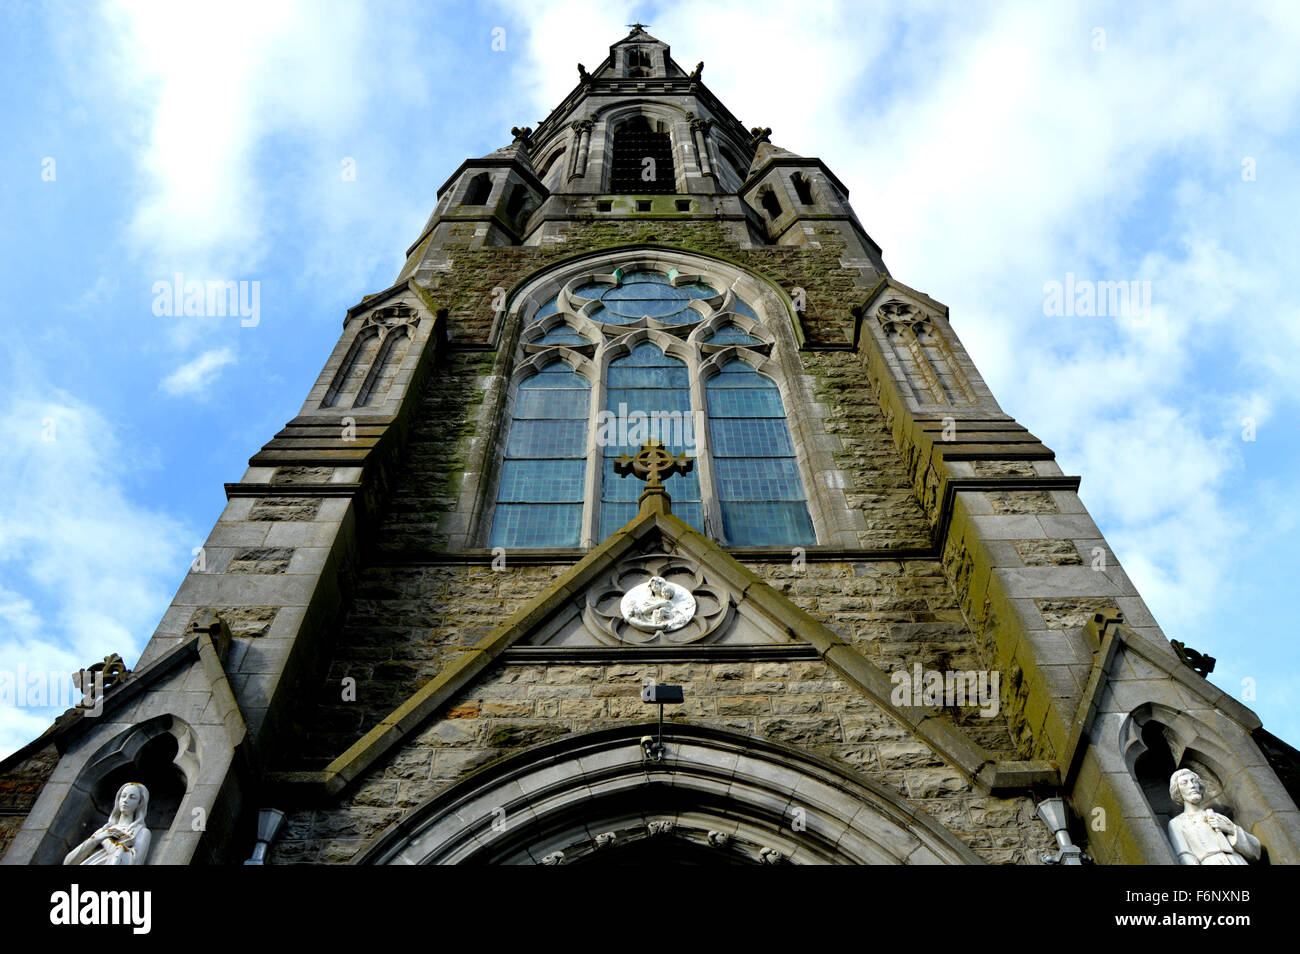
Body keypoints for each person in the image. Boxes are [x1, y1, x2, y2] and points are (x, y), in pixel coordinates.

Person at [1167, 768, 1259, 865]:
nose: (1192, 785)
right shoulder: (1177, 823)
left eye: (1194, 781)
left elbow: (1255, 850)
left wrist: (1231, 829)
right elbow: (1185, 856)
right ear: (1178, 791)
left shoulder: (1218, 816)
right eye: (1184, 783)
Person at [63, 781, 152, 865]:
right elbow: (68, 862)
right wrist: (97, 839)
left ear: (139, 803)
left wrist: (107, 841)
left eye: (132, 797)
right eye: (123, 796)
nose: (125, 800)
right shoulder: (105, 830)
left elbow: (134, 862)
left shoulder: (141, 832)